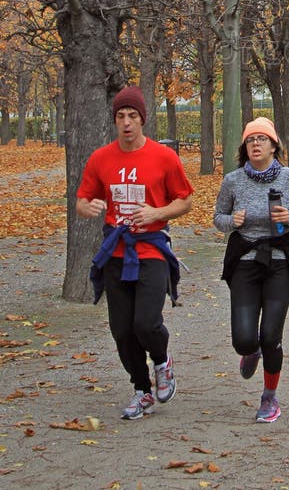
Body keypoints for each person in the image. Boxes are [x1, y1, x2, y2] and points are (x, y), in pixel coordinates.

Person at [76, 85, 194, 420]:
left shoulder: (164, 157)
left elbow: (185, 200)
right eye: (120, 116)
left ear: (143, 119)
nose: (126, 122)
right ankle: (142, 391)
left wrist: (156, 214)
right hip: (116, 251)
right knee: (121, 329)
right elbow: (81, 202)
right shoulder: (101, 159)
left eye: (132, 116)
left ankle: (162, 362)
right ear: (114, 121)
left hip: (151, 250)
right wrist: (89, 207)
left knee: (146, 322)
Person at [214, 116, 289, 423]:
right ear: (245, 147)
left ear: (274, 145)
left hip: (280, 260)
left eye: (262, 139)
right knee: (244, 339)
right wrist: (233, 222)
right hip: (244, 260)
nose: (256, 144)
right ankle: (250, 351)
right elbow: (218, 217)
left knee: (271, 334)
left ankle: (269, 398)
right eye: (251, 140)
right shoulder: (232, 181)